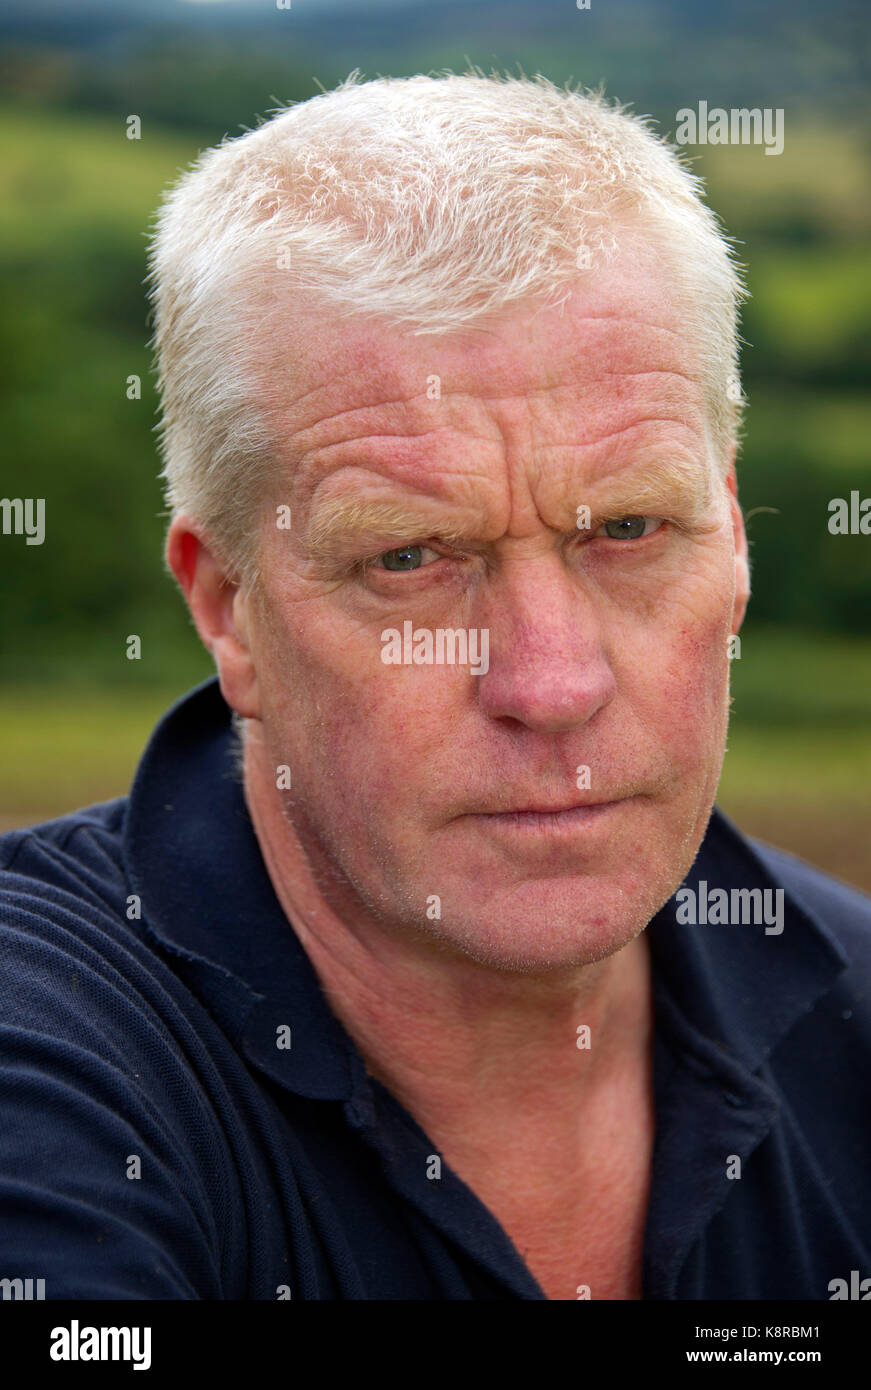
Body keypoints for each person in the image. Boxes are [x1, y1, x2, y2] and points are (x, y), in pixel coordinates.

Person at [1, 71, 869, 1302]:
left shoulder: (853, 1011)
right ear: (227, 608)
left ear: (731, 539)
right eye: (409, 557)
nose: (552, 682)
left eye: (626, 526)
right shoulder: (45, 1069)